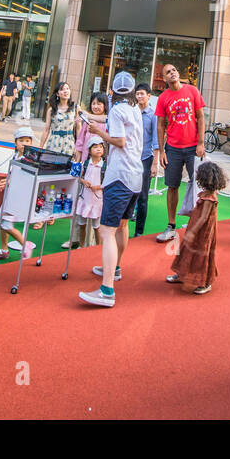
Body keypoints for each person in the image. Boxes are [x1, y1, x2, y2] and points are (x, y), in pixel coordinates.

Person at [79, 71, 143, 308]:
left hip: (120, 175)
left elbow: (119, 141)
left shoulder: (116, 111)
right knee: (123, 226)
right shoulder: (135, 110)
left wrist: (98, 133)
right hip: (136, 176)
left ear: (113, 91)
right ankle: (114, 269)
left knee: (106, 231)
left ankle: (107, 290)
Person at [154, 63, 206, 243]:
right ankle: (171, 225)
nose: (172, 73)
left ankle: (198, 223)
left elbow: (200, 117)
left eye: (174, 70)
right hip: (173, 148)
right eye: (168, 72)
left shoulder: (192, 91)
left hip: (193, 147)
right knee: (172, 186)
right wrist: (161, 150)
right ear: (165, 78)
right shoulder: (163, 98)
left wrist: (201, 142)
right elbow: (160, 125)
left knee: (199, 186)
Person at [167, 161, 226, 294]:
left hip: (203, 232)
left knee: (201, 254)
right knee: (187, 250)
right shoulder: (206, 194)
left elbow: (204, 217)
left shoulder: (210, 198)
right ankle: (182, 274)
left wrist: (193, 231)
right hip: (196, 229)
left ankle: (205, 282)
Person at [0, 126, 38, 261]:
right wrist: (6, 181)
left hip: (19, 197)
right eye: (21, 140)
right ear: (15, 143)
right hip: (11, 195)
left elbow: (26, 179)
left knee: (6, 224)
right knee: (2, 223)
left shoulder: (30, 160)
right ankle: (4, 250)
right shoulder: (16, 156)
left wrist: (9, 182)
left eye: (28, 141)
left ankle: (24, 244)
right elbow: (13, 176)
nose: (25, 143)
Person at [70, 136, 105, 250]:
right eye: (95, 147)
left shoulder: (105, 166)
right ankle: (81, 246)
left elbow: (108, 183)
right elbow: (78, 177)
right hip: (85, 199)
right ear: (89, 150)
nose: (99, 149)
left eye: (100, 147)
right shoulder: (84, 164)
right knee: (82, 225)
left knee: (97, 226)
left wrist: (98, 187)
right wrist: (83, 181)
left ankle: (97, 247)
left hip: (97, 201)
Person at [133, 83, 158, 237]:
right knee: (128, 193)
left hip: (145, 158)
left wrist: (155, 164)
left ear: (149, 96)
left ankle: (138, 232)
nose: (139, 96)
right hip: (131, 157)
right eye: (137, 94)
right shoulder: (132, 112)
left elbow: (156, 140)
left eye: (142, 94)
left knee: (143, 197)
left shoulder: (153, 115)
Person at [40, 81, 79, 159]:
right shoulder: (51, 110)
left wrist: (78, 147)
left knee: (65, 168)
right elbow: (46, 129)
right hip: (54, 142)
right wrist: (40, 147)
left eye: (67, 89)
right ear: (57, 94)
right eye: (62, 89)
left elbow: (78, 128)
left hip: (69, 142)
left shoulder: (75, 108)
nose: (65, 91)